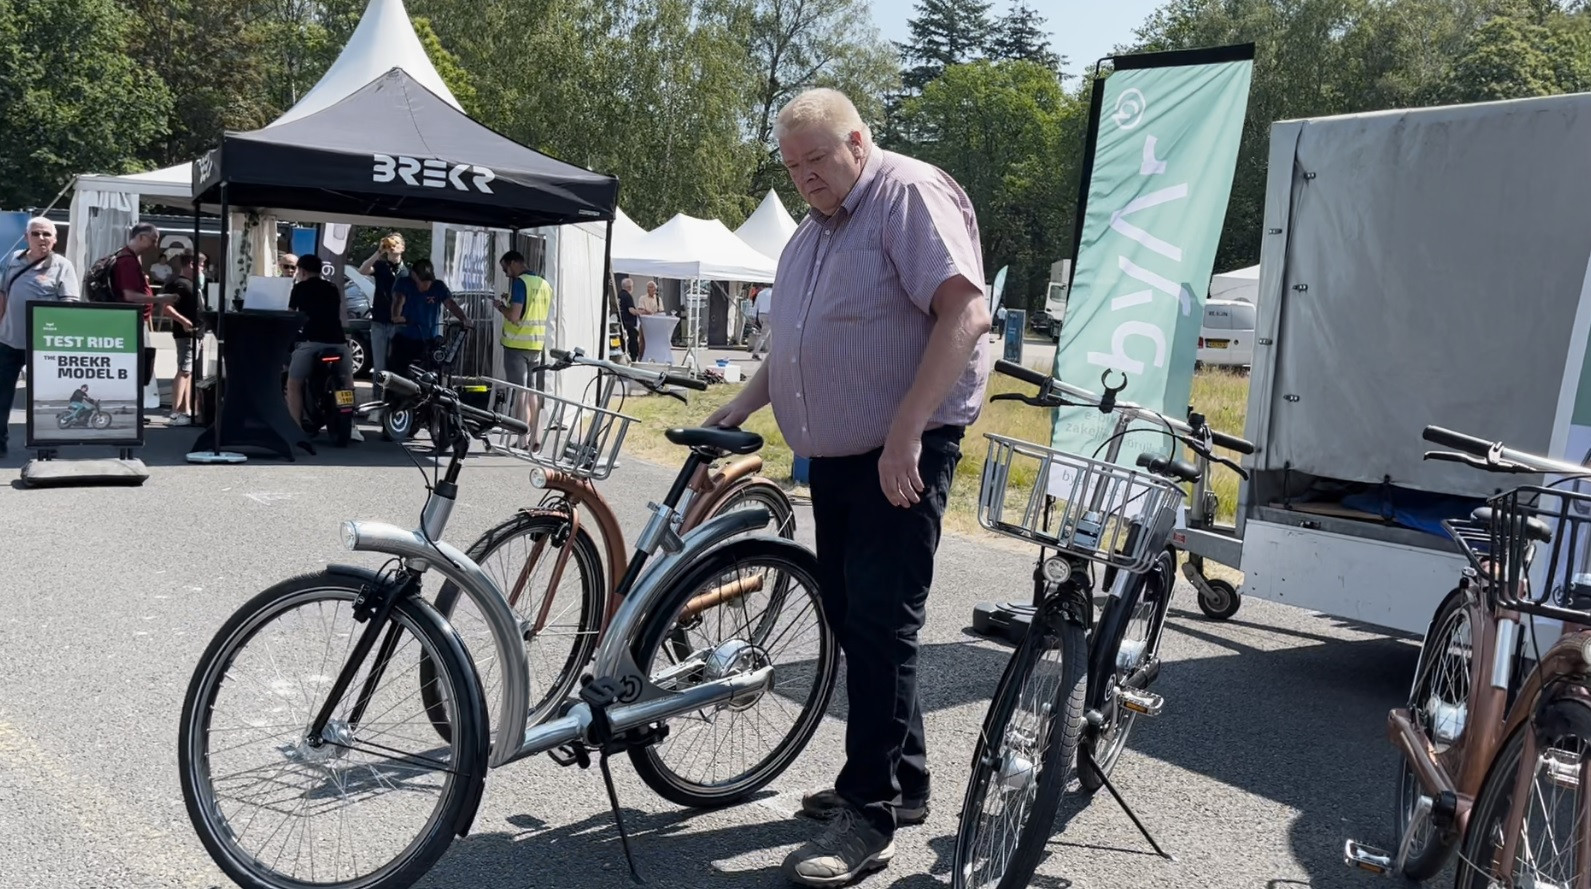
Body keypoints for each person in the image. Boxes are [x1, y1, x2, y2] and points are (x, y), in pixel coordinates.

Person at [703, 87, 991, 886]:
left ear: (857, 141)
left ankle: (868, 810)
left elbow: (964, 312)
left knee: (881, 623)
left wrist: (906, 430)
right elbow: (796, 340)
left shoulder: (905, 193)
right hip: (836, 460)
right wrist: (742, 401)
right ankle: (904, 782)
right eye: (792, 166)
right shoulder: (812, 232)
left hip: (900, 451)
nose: (804, 177)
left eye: (817, 159)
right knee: (858, 623)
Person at [0, 217, 80, 455]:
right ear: (26, 237)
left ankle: (46, 443)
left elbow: (69, 305)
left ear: (55, 239)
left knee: (44, 398)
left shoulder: (62, 265)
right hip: (8, 341)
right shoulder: (13, 260)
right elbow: (3, 294)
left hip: (43, 346)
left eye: (46, 234)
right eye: (36, 234)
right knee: (2, 396)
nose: (41, 238)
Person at [285, 258, 362, 441]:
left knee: (293, 383)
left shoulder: (299, 288)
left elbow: (291, 314)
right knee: (347, 382)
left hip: (312, 343)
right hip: (338, 343)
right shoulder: (332, 289)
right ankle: (350, 422)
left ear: (302, 271)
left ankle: (295, 428)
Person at [495, 250, 553, 447]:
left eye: (505, 268)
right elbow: (532, 309)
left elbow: (515, 316)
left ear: (513, 263)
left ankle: (521, 439)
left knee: (519, 392)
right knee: (532, 391)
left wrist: (501, 307)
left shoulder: (520, 283)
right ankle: (535, 437)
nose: (505, 273)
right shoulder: (544, 284)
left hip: (516, 344)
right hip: (536, 344)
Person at [389, 258, 469, 384]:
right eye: (423, 282)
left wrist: (464, 319)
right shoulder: (404, 283)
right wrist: (397, 316)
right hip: (405, 339)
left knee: (430, 376)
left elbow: (450, 304)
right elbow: (398, 300)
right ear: (414, 275)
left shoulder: (438, 286)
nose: (426, 285)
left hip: (428, 340)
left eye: (428, 282)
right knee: (399, 375)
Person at [357, 233, 406, 402]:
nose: (393, 246)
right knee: (379, 366)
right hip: (379, 322)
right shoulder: (380, 265)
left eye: (396, 243)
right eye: (391, 243)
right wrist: (379, 251)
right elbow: (362, 270)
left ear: (402, 248)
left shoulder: (407, 272)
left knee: (395, 366)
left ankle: (393, 402)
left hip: (398, 325)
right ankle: (377, 402)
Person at [160, 252, 202, 426]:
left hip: (196, 332)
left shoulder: (192, 284)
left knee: (189, 371)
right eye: (200, 265)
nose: (202, 268)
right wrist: (184, 321)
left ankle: (186, 409)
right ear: (191, 264)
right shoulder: (179, 284)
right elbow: (166, 308)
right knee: (184, 370)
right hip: (186, 333)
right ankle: (175, 412)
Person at [617, 277, 641, 360]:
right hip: (629, 323)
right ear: (629, 287)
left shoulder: (619, 294)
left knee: (622, 340)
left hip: (621, 321)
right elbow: (631, 310)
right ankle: (633, 357)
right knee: (633, 340)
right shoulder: (628, 296)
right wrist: (640, 312)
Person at [747, 285, 773, 360]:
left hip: (761, 314)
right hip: (769, 314)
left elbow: (756, 305)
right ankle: (755, 352)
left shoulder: (761, 293)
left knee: (769, 335)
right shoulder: (773, 292)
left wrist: (753, 316)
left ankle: (770, 353)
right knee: (764, 335)